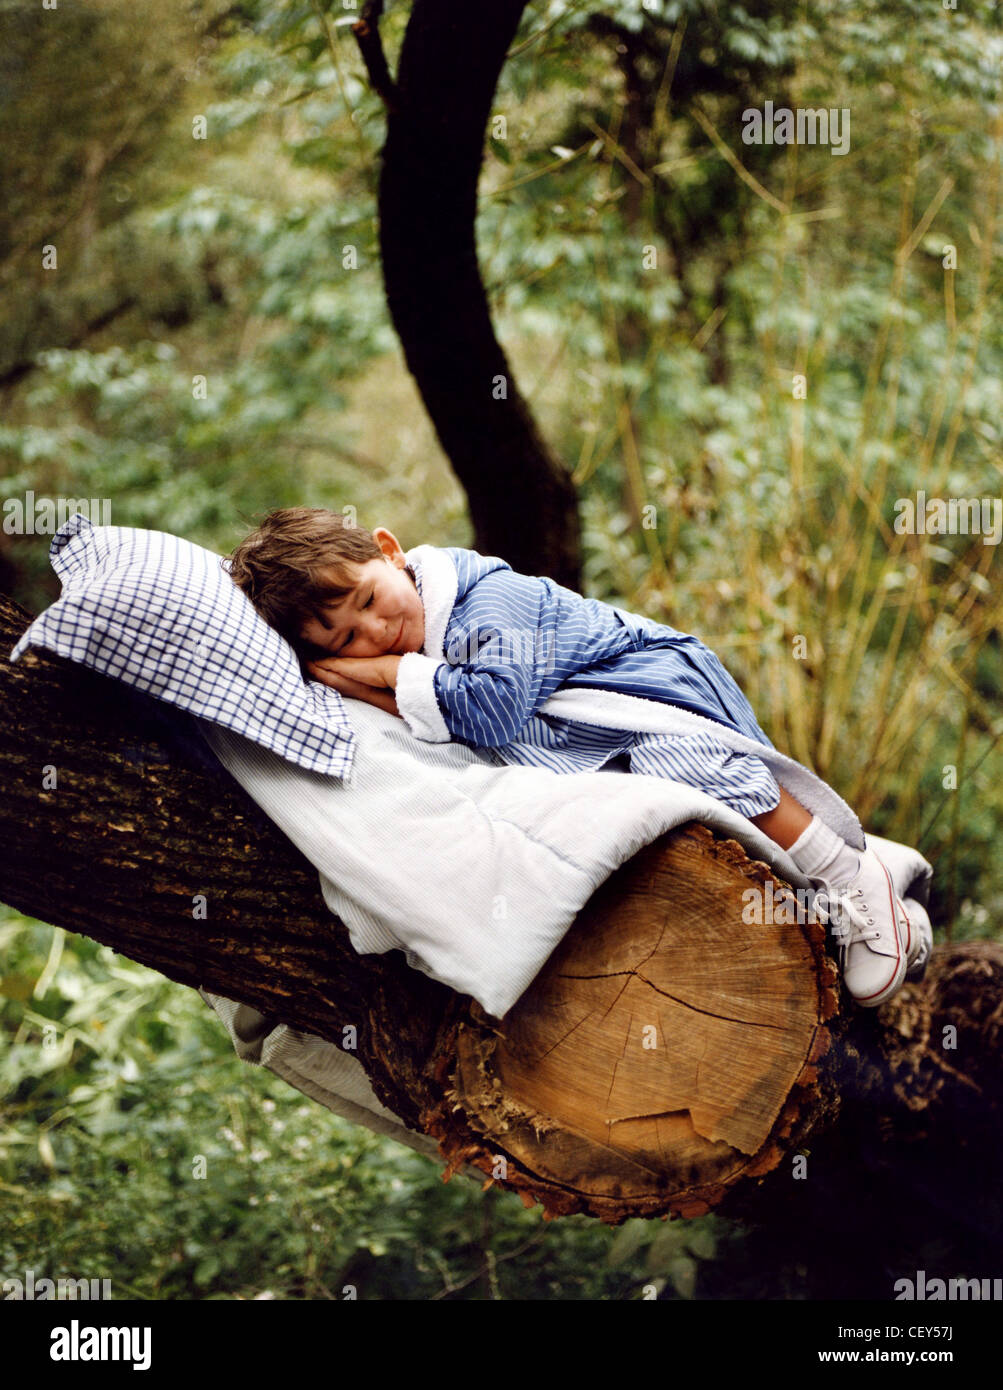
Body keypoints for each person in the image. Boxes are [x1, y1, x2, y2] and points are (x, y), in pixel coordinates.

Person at [228, 507, 931, 1007]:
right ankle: (835, 882)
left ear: (388, 549)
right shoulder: (416, 643)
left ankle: (852, 873)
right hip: (578, 747)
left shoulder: (485, 601)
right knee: (667, 836)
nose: (379, 632)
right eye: (347, 641)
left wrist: (378, 676)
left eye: (370, 600)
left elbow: (493, 706)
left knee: (685, 768)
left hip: (643, 693)